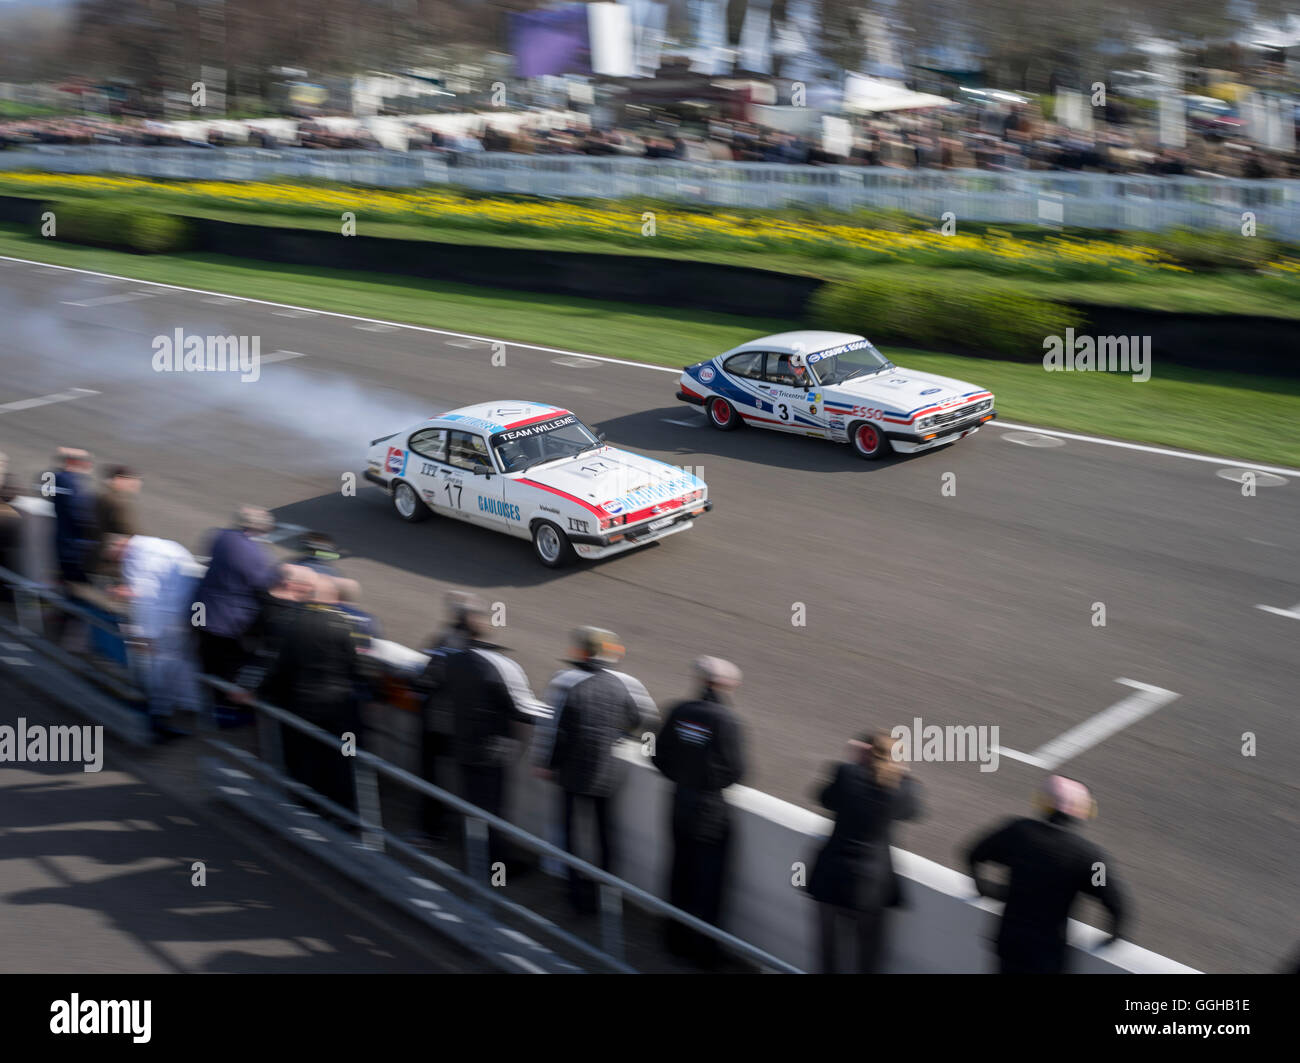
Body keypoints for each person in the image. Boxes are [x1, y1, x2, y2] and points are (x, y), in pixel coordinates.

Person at [535, 626, 656, 912]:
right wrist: (618, 733)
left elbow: (551, 728)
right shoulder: (627, 682)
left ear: (579, 651)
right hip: (609, 770)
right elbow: (645, 718)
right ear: (612, 652)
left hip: (570, 770)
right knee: (606, 832)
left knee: (570, 830)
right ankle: (609, 893)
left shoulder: (563, 681)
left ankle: (576, 894)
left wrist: (544, 762)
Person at [964, 776, 1128, 974]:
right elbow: (1115, 903)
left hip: (1009, 944)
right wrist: (1114, 934)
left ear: (1043, 803)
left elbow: (973, 854)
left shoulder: (1016, 832)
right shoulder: (1091, 857)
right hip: (1048, 956)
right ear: (1084, 810)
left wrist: (984, 887)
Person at [653, 656, 747, 964]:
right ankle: (705, 952)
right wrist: (707, 781)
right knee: (709, 883)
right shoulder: (727, 719)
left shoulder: (679, 710)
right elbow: (736, 772)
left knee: (679, 872)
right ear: (724, 684)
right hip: (710, 811)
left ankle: (673, 939)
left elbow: (658, 755)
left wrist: (683, 777)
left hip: (679, 801)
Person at [441, 595, 543, 872]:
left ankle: (475, 858)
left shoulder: (452, 661)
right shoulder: (499, 664)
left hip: (463, 743)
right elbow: (522, 710)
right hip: (493, 749)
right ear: (483, 626)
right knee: (493, 809)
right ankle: (495, 867)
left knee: (472, 805)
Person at [807, 731, 923, 973]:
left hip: (831, 876)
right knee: (869, 956)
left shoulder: (847, 774)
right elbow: (914, 811)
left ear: (868, 753)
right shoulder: (901, 789)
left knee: (828, 951)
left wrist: (855, 762)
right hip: (872, 886)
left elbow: (824, 798)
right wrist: (903, 772)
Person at [257, 572, 364, 814]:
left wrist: (262, 692)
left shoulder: (287, 622)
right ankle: (341, 813)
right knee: (341, 763)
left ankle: (304, 808)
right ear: (332, 598)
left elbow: (277, 667)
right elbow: (358, 667)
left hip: (298, 705)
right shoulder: (347, 625)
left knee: (302, 761)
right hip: (339, 708)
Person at [105, 534, 203, 739]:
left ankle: (159, 717)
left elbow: (145, 597)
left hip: (168, 618)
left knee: (161, 667)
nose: (118, 562)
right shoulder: (156, 544)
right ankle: (191, 703)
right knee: (184, 660)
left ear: (121, 548)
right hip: (190, 608)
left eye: (116, 558)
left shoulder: (135, 559)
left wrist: (145, 635)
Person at [193, 505, 276, 720]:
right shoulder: (254, 552)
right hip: (226, 620)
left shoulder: (219, 536)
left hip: (201, 608)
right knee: (229, 667)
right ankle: (225, 713)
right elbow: (263, 584)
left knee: (206, 661)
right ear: (259, 527)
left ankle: (210, 706)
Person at [415, 591, 482, 837]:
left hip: (437, 721)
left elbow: (427, 678)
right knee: (467, 782)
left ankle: (431, 828)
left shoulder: (445, 639)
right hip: (464, 724)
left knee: (429, 775)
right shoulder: (477, 646)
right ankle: (470, 833)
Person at [91, 465, 141, 576]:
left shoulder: (102, 497)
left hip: (100, 553)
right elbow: (129, 530)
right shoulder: (118, 502)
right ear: (118, 480)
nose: (136, 484)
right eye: (131, 480)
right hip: (112, 560)